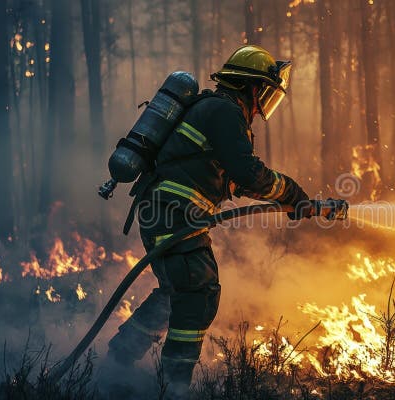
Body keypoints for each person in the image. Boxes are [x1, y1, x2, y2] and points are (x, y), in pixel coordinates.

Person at [106, 45, 314, 398]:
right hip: (172, 212)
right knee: (197, 294)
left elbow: (232, 179)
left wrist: (285, 199)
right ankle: (173, 388)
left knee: (178, 293)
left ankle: (117, 363)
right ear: (251, 88)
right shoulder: (223, 112)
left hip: (169, 212)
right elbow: (247, 174)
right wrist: (290, 191)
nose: (264, 105)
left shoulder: (214, 111)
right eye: (264, 93)